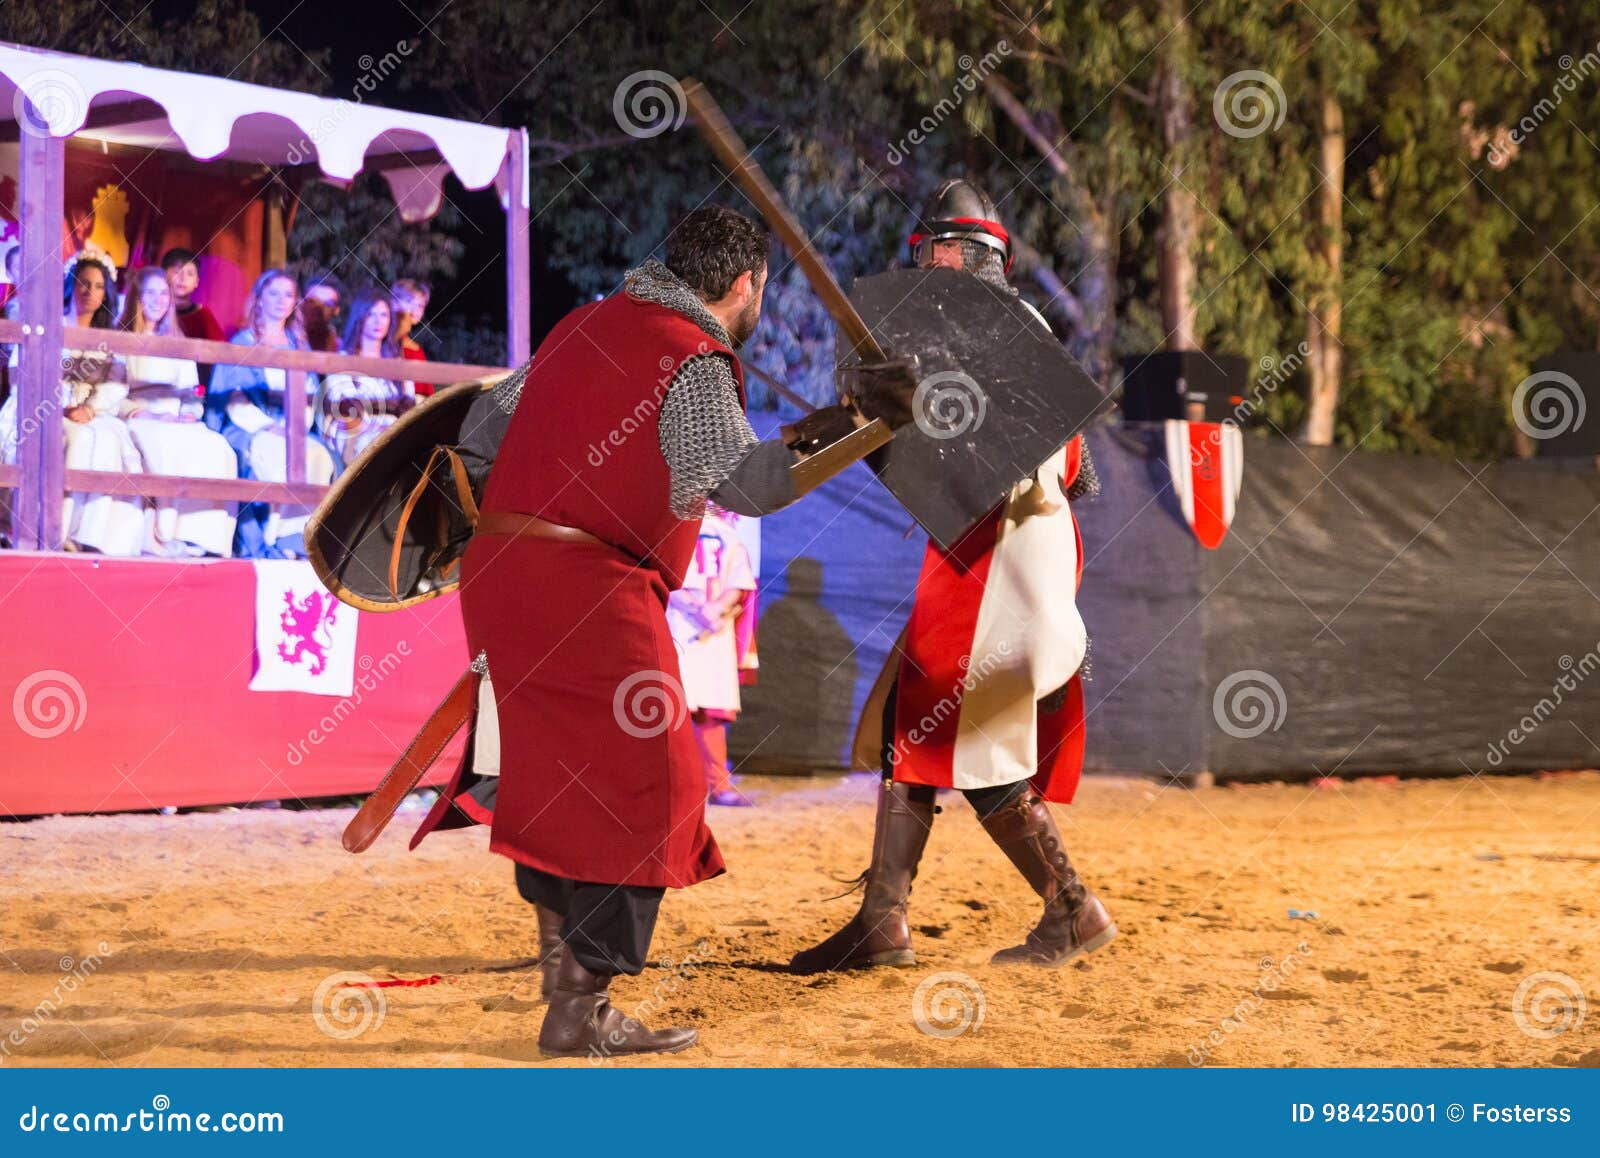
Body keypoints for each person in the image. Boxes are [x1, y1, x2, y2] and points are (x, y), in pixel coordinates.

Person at [402, 206, 906, 1058]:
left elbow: (484, 427)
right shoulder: (692, 355)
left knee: (555, 785)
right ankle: (582, 1001)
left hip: (503, 578)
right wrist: (870, 429)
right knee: (660, 781)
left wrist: (837, 418)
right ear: (746, 285)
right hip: (586, 586)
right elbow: (749, 486)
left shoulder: (584, 325)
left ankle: (570, 1005)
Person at [789, 179, 1115, 974]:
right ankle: (884, 918)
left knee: (965, 741)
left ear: (965, 255)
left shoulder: (993, 331)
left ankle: (1071, 908)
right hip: (1009, 559)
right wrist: (875, 419)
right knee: (924, 728)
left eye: (936, 251)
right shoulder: (1014, 331)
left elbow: (985, 457)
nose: (926, 265)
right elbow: (1064, 471)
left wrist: (902, 407)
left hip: (997, 564)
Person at [205, 269, 337, 558]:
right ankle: (268, 538)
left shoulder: (298, 346)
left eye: (288, 294)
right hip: (252, 427)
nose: (281, 300)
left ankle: (295, 538)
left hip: (294, 429)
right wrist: (268, 426)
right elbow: (233, 396)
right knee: (274, 454)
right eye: (274, 293)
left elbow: (310, 393)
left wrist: (295, 427)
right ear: (260, 298)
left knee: (318, 456)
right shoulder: (242, 343)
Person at [118, 266, 239, 557]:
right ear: (137, 296)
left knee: (218, 448)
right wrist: (148, 415)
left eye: (163, 293)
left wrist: (189, 412)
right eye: (150, 293)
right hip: (142, 417)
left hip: (177, 417)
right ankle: (165, 534)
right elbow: (115, 394)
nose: (158, 300)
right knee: (167, 446)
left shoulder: (177, 342)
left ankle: (203, 537)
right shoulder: (121, 339)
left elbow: (192, 392)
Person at [55, 250, 147, 555]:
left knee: (109, 440)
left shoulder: (108, 335)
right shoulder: (52, 323)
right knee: (80, 440)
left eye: (97, 286)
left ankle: (92, 535)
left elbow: (116, 382)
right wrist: (61, 405)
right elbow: (25, 369)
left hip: (92, 409)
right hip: (46, 406)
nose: (89, 292)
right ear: (71, 285)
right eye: (83, 283)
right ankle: (60, 529)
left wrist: (91, 408)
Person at [668, 504, 759, 806]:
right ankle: (676, 786)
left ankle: (717, 784)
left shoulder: (728, 535)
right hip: (679, 626)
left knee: (710, 711)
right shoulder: (673, 530)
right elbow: (664, 577)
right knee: (672, 709)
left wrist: (714, 609)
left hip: (711, 632)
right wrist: (705, 609)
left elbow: (738, 583)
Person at [318, 288, 412, 465]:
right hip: (355, 436)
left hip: (396, 433)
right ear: (360, 318)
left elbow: (409, 407)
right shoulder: (343, 360)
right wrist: (377, 430)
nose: (378, 321)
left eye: (384, 315)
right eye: (371, 314)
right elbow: (341, 413)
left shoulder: (397, 364)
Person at [161, 247, 226, 387]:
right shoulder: (154, 313)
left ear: (197, 281)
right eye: (177, 271)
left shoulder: (202, 316)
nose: (182, 278)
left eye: (190, 273)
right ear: (163, 274)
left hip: (194, 387)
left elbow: (221, 354)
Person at [391, 278, 432, 396]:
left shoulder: (416, 351)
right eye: (409, 301)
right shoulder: (380, 344)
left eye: (420, 305)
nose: (415, 309)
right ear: (394, 302)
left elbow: (425, 394)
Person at [300, 271, 344, 354]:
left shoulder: (338, 347)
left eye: (328, 304)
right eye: (313, 301)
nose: (319, 308)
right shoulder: (285, 337)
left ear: (336, 310)